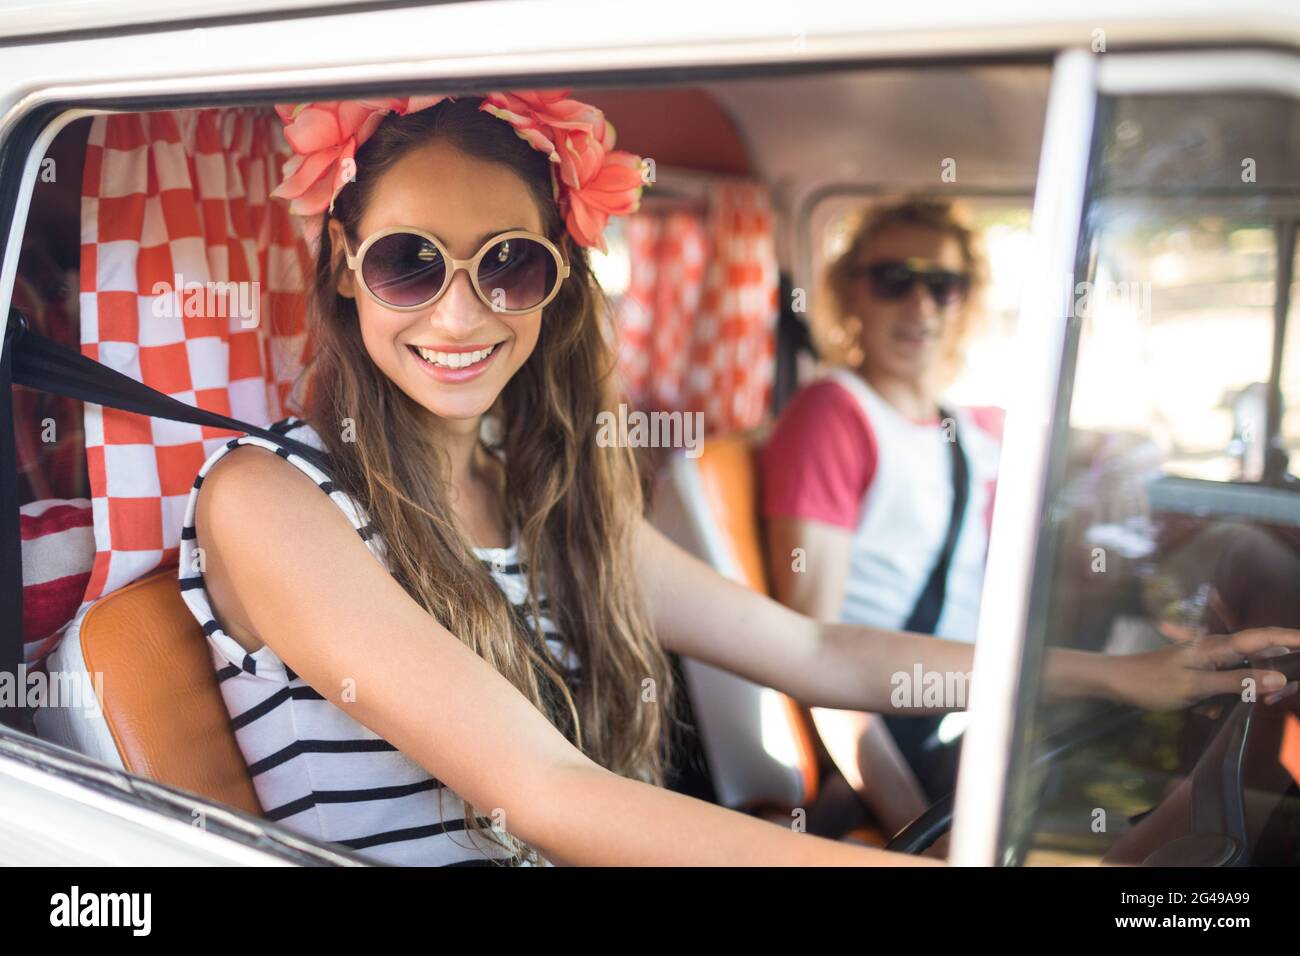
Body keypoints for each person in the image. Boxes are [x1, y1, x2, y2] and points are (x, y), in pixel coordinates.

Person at [181, 94, 1298, 865]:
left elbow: (815, 649)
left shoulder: (543, 493)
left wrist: (1120, 677)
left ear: (558, 280)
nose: (461, 312)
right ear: (343, 264)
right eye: (408, 262)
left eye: (508, 263)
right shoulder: (271, 497)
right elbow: (551, 794)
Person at [760, 200, 1009, 834]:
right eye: (894, 281)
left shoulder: (969, 427)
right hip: (902, 745)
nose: (920, 306)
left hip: (977, 718)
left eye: (942, 285)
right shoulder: (834, 415)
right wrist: (918, 830)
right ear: (852, 294)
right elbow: (813, 651)